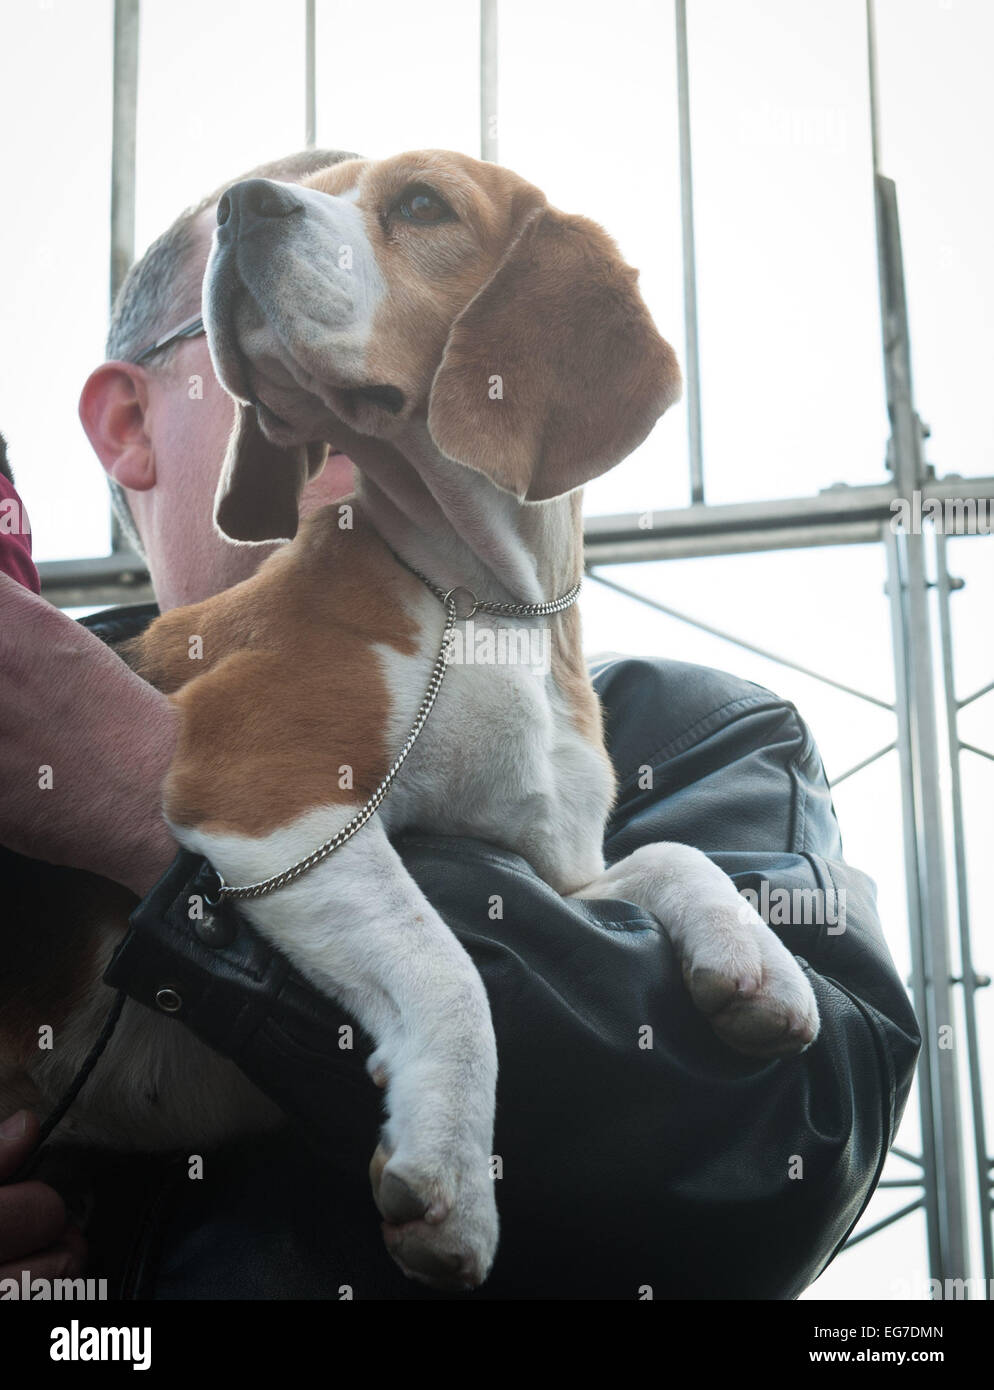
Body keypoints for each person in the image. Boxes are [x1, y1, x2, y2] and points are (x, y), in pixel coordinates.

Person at [0, 147, 920, 1300]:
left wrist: (149, 802)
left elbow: (768, 1152)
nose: (308, 241)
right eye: (247, 290)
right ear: (130, 422)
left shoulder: (691, 738)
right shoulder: (34, 688)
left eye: (412, 217)